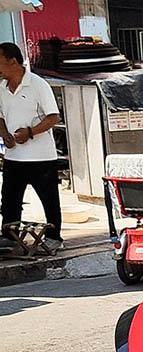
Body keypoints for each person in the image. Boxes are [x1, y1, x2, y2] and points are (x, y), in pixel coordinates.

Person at [0, 42, 62, 252]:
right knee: (10, 200)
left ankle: (54, 237)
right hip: (13, 156)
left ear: (13, 62)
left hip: (41, 156)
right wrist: (5, 134)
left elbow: (53, 117)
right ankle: (10, 237)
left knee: (49, 200)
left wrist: (30, 132)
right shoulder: (2, 88)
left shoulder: (38, 84)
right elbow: (0, 116)